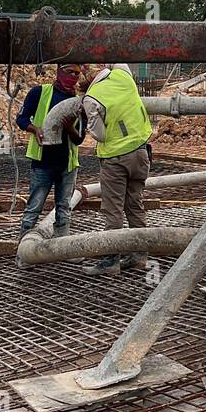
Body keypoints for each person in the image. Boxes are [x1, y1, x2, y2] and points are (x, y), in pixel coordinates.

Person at [81, 62, 152, 278]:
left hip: (115, 159)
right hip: (141, 153)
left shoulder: (91, 98)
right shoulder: (123, 75)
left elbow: (100, 135)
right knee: (135, 205)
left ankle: (111, 260)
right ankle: (140, 256)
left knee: (113, 209)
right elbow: (118, 58)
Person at [15, 64, 87, 257]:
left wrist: (71, 128)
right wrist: (35, 128)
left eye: (76, 73)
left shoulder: (78, 103)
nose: (72, 76)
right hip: (43, 163)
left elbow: (79, 138)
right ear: (58, 72)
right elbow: (21, 119)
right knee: (33, 209)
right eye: (69, 72)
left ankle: (61, 251)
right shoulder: (40, 93)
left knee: (64, 210)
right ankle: (23, 253)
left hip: (67, 164)